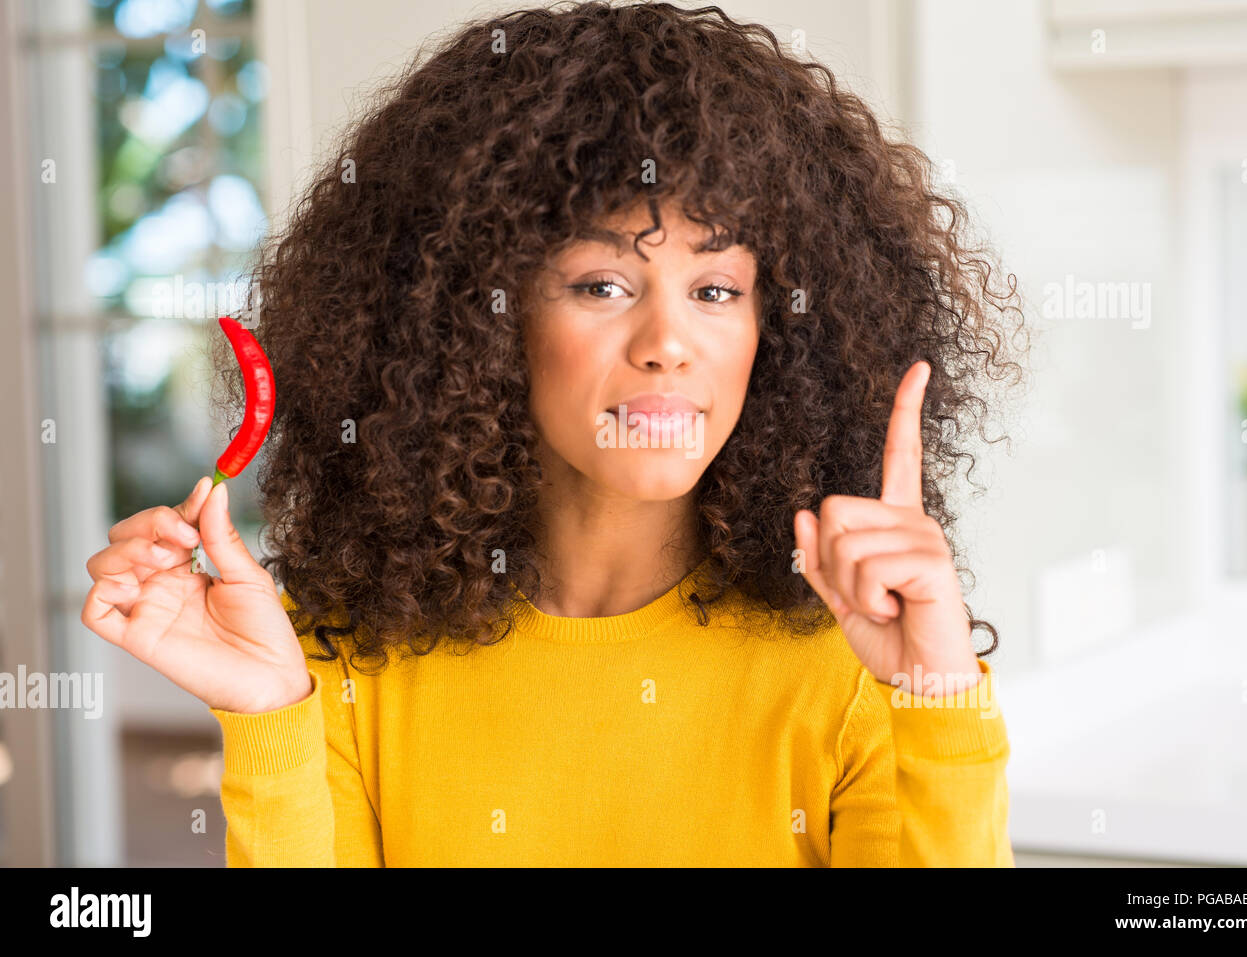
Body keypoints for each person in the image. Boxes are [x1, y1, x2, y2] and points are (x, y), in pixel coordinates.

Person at [82, 1, 1026, 867]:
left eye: (715, 290)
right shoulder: (343, 661)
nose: (667, 345)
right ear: (480, 320)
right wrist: (269, 714)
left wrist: (937, 696)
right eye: (602, 285)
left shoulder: (857, 669)